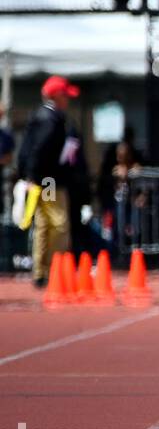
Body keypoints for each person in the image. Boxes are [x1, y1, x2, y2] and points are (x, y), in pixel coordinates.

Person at [16, 76, 81, 289]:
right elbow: (40, 150)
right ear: (56, 95)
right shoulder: (51, 120)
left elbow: (29, 149)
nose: (68, 100)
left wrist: (29, 175)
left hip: (41, 178)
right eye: (65, 95)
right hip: (49, 180)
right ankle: (55, 269)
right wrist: (35, 176)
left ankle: (40, 271)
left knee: (43, 224)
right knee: (59, 223)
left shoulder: (39, 115)